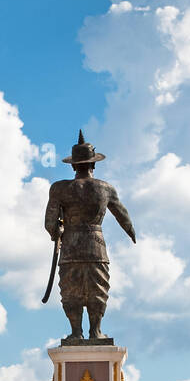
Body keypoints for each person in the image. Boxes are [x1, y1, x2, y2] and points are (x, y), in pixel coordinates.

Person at [43, 132, 136, 340]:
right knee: (98, 287)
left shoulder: (59, 189)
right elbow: (122, 214)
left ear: (74, 166)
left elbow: (49, 223)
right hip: (96, 246)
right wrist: (131, 232)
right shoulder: (105, 188)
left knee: (71, 288)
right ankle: (96, 331)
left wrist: (56, 233)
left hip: (70, 247)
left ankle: (76, 333)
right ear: (93, 164)